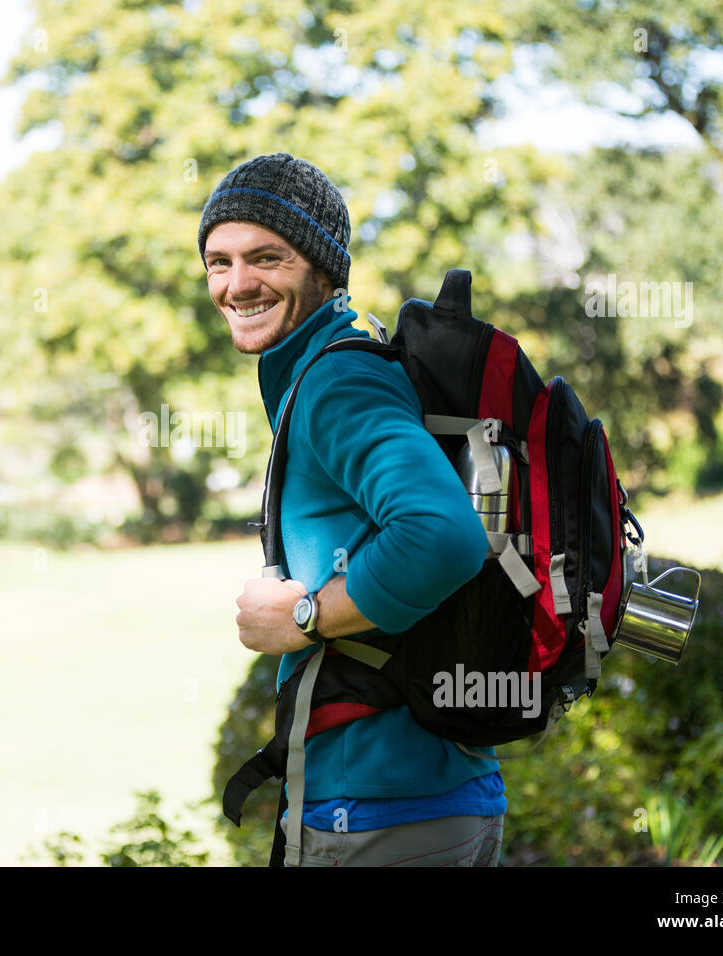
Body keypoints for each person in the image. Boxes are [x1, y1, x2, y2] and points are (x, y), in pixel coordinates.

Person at [198, 153, 507, 866]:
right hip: (428, 797)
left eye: (266, 257)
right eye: (220, 262)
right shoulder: (336, 364)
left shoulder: (339, 380)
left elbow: (443, 535)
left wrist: (302, 617)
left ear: (323, 269)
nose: (237, 283)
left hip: (379, 814)